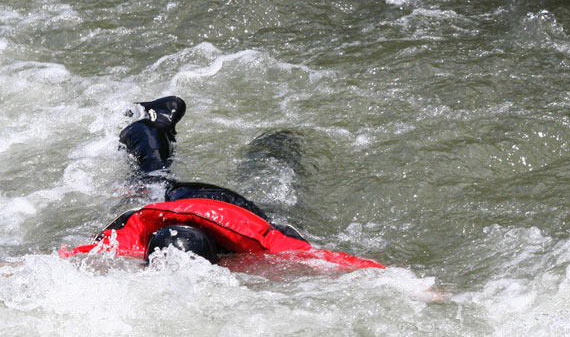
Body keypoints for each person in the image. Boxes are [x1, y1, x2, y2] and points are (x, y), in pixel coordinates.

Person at [61, 96, 383, 270]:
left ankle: (277, 143)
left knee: (152, 178)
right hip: (170, 202)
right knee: (151, 178)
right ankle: (150, 123)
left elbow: (317, 255)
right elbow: (66, 256)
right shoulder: (130, 241)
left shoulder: (253, 239)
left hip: (229, 208)